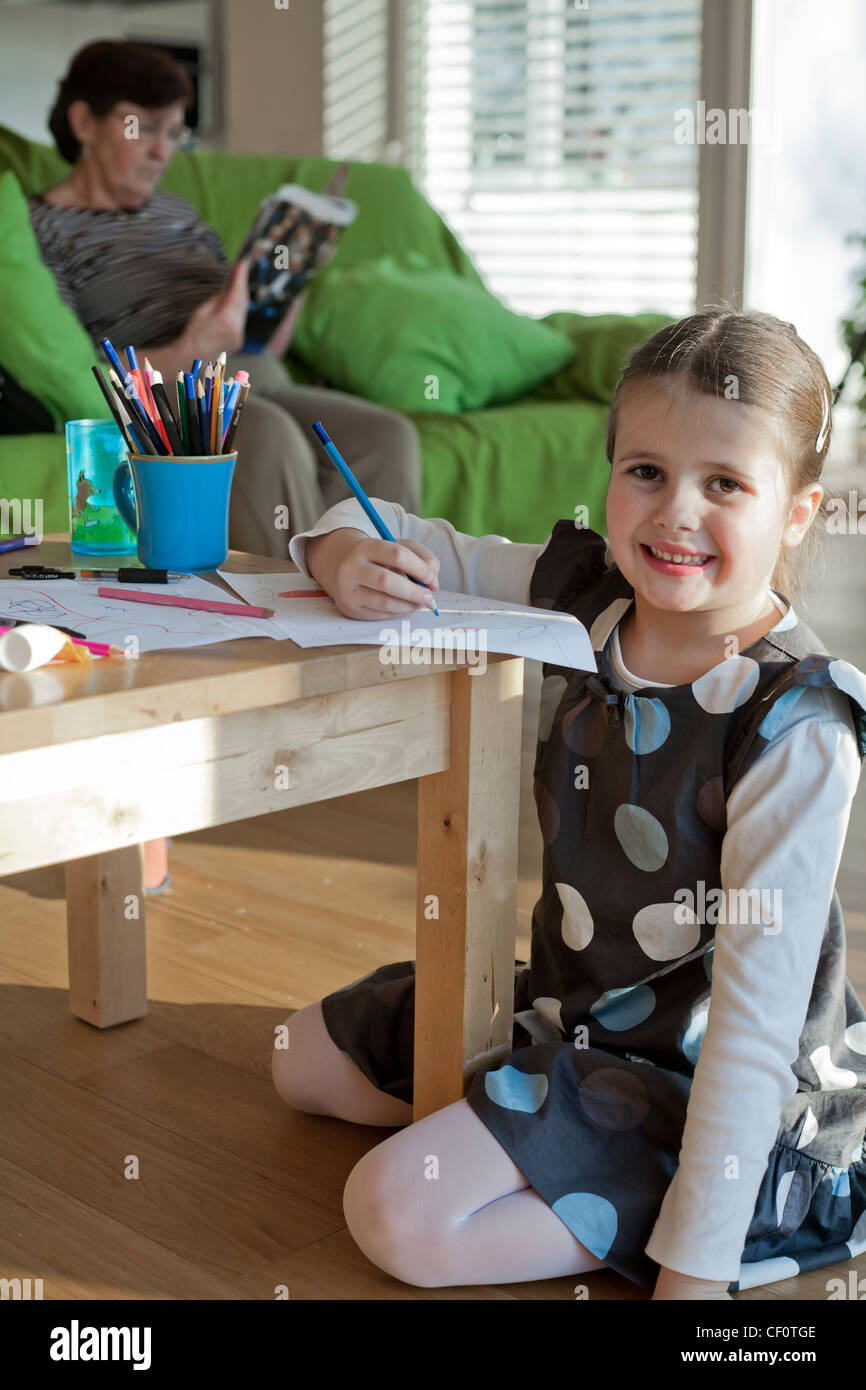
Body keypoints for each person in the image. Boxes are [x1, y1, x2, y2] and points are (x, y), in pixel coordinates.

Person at [272, 309, 866, 1300]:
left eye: (722, 484)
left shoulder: (795, 722)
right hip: (570, 1014)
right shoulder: (580, 596)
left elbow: (752, 1028)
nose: (673, 513)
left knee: (396, 1214)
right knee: (299, 1060)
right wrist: (336, 557)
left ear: (797, 510)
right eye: (644, 471)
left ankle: (720, 1203)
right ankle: (545, 1128)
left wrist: (691, 1280)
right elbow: (387, 527)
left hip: (717, 1076)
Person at [28, 40, 423, 557]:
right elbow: (78, 372)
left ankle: (385, 599)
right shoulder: (43, 229)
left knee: (386, 435)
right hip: (171, 389)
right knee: (267, 435)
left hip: (249, 374)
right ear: (83, 123)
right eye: (142, 128)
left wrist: (287, 284)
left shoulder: (179, 214)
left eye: (173, 133)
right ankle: (289, 613)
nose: (161, 152)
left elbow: (260, 344)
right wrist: (191, 349)